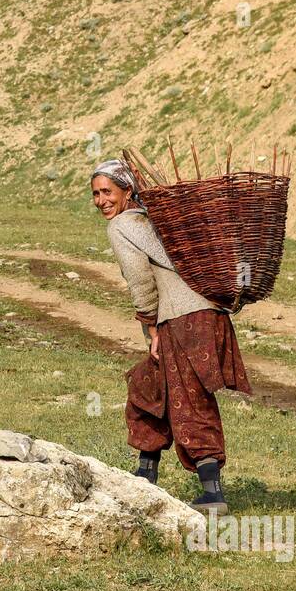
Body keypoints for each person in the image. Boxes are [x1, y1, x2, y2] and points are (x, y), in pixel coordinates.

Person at [91, 159, 250, 515]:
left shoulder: (122, 225)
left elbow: (140, 280)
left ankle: (213, 494)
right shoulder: (156, 219)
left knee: (189, 399)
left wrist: (151, 326)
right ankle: (144, 475)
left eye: (107, 192)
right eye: (96, 194)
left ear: (127, 191)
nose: (101, 201)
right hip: (209, 314)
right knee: (150, 384)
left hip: (182, 318)